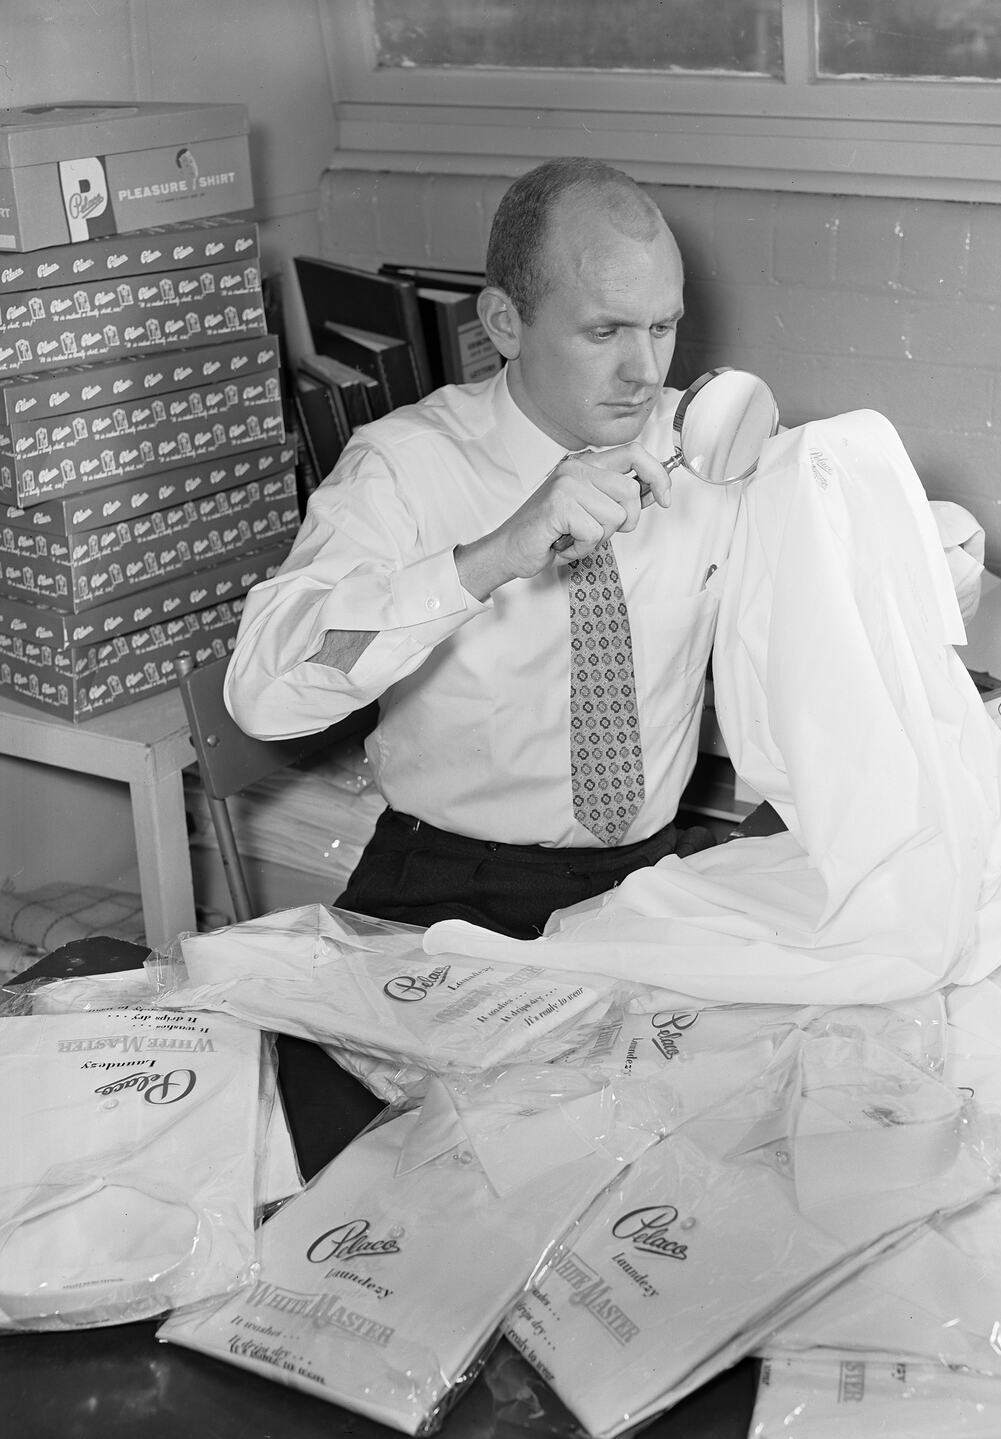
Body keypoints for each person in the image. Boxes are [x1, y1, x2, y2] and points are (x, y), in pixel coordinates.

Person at [225, 157, 741, 937]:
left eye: (661, 327)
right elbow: (262, 693)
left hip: (646, 876)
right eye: (603, 331)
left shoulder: (700, 441)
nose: (643, 373)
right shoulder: (402, 467)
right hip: (452, 879)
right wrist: (489, 559)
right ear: (503, 324)